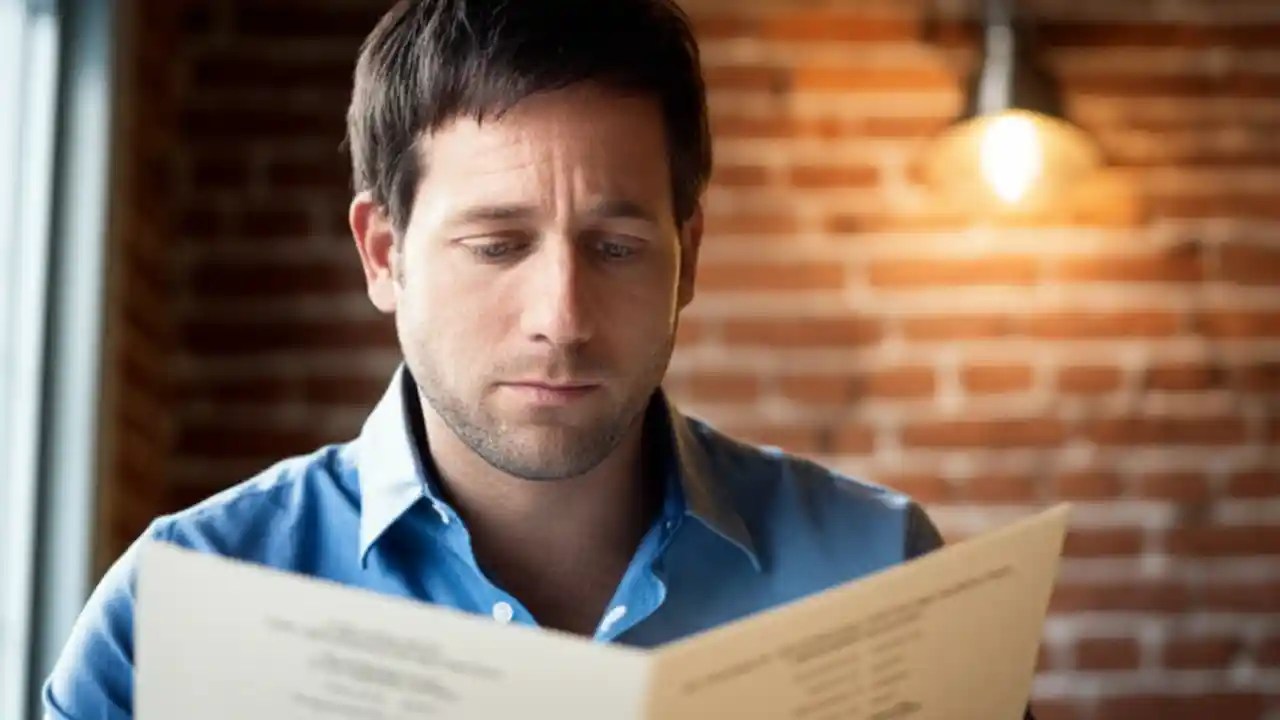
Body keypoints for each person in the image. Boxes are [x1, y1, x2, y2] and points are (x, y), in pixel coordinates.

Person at [43, 1, 1034, 718]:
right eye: (495, 246)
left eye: (615, 248)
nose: (560, 318)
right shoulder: (178, 606)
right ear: (383, 254)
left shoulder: (885, 577)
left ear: (687, 258)